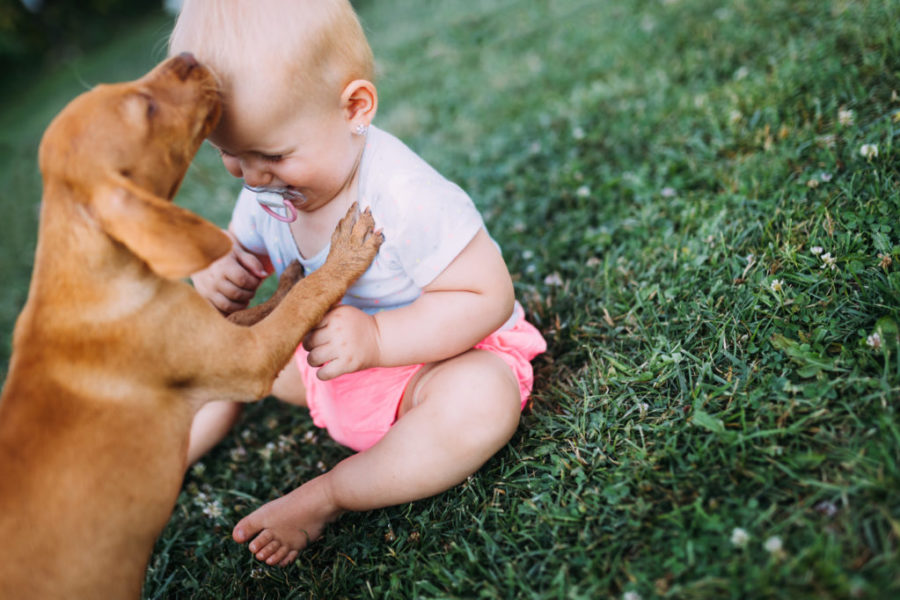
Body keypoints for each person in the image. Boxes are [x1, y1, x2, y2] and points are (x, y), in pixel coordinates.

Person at [169, 0, 546, 568]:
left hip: (427, 366)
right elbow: (241, 251)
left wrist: (376, 339)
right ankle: (165, 458)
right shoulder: (266, 186)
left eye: (270, 155)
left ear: (355, 107)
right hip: (328, 369)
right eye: (229, 156)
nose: (253, 179)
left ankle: (332, 494)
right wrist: (218, 272)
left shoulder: (405, 194)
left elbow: (486, 296)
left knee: (481, 399)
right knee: (219, 352)